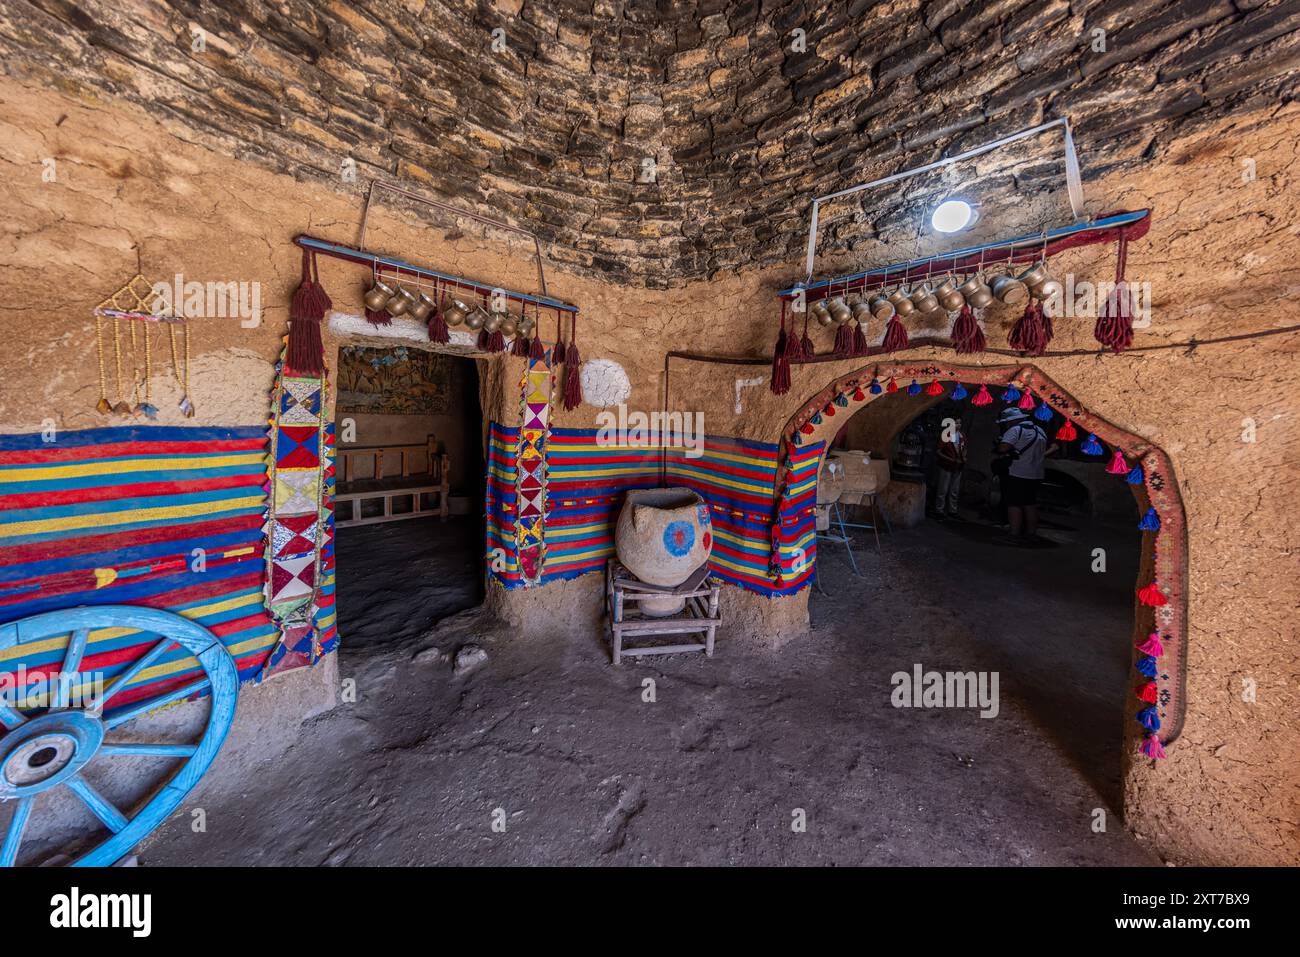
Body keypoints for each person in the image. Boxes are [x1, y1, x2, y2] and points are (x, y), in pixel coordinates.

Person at [993, 407, 1055, 545]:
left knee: (1013, 503)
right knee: (1030, 504)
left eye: (1006, 422)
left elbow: (1003, 448)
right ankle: (1031, 534)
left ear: (1013, 421)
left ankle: (1014, 534)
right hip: (1036, 473)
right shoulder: (1040, 431)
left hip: (1018, 472)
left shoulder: (1015, 430)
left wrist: (1000, 445)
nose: (1006, 424)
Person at [934, 422, 967, 520]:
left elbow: (964, 448)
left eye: (960, 423)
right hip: (946, 466)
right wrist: (950, 459)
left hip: (958, 466)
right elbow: (938, 451)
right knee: (943, 489)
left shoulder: (962, 435)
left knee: (954, 490)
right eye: (956, 423)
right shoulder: (946, 434)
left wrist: (964, 457)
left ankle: (952, 511)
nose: (959, 425)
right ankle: (939, 510)